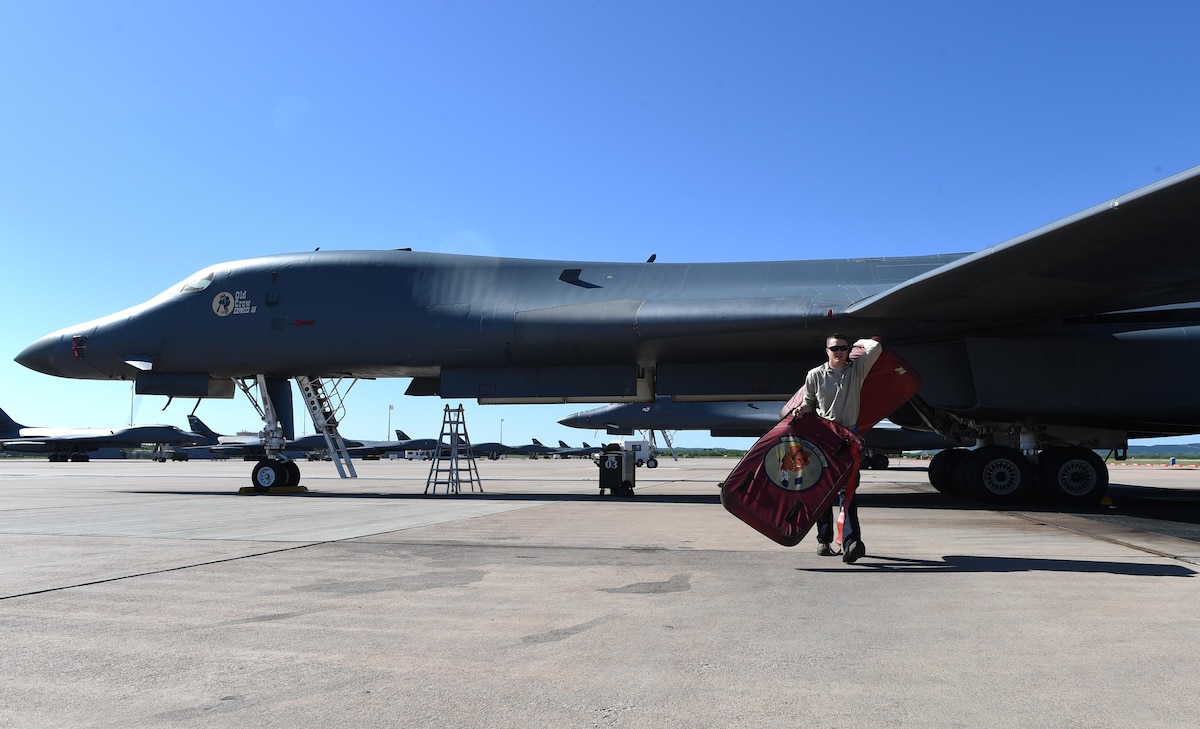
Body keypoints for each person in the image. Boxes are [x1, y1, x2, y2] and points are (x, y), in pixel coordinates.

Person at [780, 333, 882, 563]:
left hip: (849, 440)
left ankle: (851, 542)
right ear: (827, 351)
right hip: (824, 439)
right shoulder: (815, 375)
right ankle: (824, 540)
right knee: (822, 492)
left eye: (844, 348)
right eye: (834, 348)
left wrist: (860, 343)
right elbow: (809, 403)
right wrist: (802, 410)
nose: (839, 352)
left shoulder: (856, 370)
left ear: (848, 351)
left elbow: (876, 348)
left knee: (848, 493)